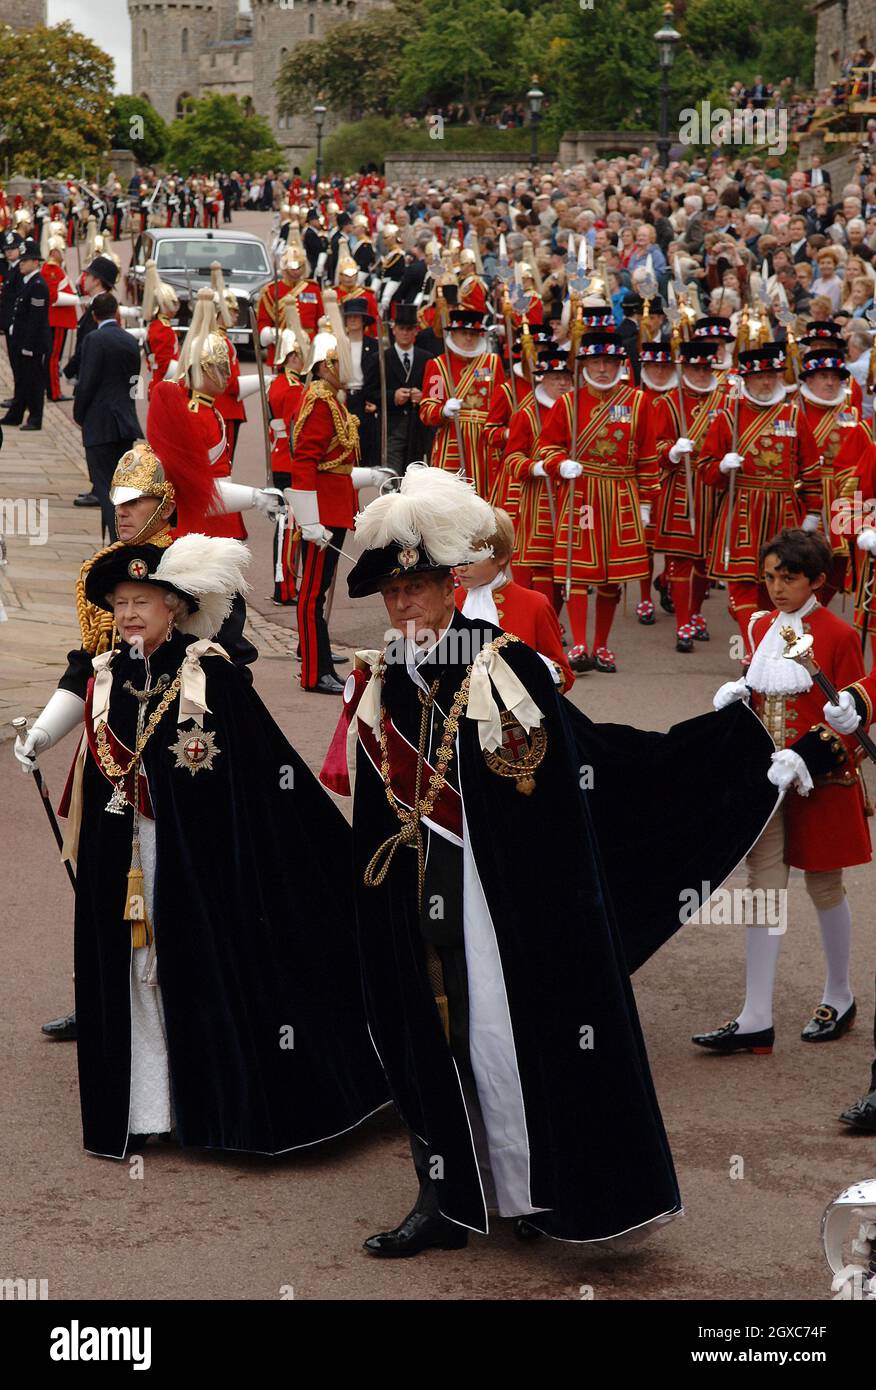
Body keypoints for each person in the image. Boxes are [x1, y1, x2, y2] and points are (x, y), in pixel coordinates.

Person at [321, 465, 778, 1256]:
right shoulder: (383, 676)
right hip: (414, 894)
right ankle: (446, 1197)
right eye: (391, 595)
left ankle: (533, 1190)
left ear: (449, 583)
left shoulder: (504, 665)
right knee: (428, 1040)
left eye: (416, 588)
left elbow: (549, 794)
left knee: (499, 1034)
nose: (402, 605)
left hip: (491, 900)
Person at [16, 533, 388, 1158]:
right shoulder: (106, 672)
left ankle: (211, 1112)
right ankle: (146, 1109)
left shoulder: (209, 671)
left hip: (196, 858)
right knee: (134, 974)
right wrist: (40, 739)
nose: (130, 613)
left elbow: (260, 769)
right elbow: (75, 696)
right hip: (122, 855)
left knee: (192, 969)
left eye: (144, 600)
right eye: (121, 602)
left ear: (174, 607)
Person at [694, 529, 869, 1056]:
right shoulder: (760, 625)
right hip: (766, 781)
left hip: (820, 782)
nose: (776, 588)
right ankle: (755, 1015)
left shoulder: (838, 634)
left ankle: (839, 994)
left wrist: (807, 755)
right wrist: (738, 697)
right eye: (769, 577)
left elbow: (854, 724)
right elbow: (761, 687)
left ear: (818, 581)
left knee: (824, 888)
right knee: (763, 888)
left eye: (787, 578)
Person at [538, 330, 658, 673]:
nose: (603, 368)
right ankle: (578, 644)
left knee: (611, 576)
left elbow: (648, 455)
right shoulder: (567, 403)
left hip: (621, 494)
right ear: (585, 364)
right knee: (577, 569)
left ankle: (602, 645)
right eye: (595, 362)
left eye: (609, 362)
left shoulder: (638, 402)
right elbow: (546, 447)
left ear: (620, 365)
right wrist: (560, 463)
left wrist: (646, 502)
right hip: (581, 493)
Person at [698, 343, 822, 654]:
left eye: (772, 375)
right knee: (742, 582)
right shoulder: (728, 417)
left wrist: (813, 512)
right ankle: (752, 649)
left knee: (780, 581)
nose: (767, 382)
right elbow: (705, 470)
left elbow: (810, 467)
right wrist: (722, 466)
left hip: (782, 507)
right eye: (760, 377)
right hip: (742, 506)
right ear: (747, 380)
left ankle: (774, 644)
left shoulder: (793, 415)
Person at [653, 341, 725, 652]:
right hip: (681, 487)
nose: (701, 373)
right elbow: (653, 448)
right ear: (685, 368)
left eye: (706, 368)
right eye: (695, 368)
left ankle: (695, 613)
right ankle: (683, 621)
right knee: (680, 560)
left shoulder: (726, 402)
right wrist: (671, 450)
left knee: (706, 563)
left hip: (715, 488)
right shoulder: (669, 403)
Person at [453, 506, 573, 691]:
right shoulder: (450, 602)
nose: (460, 567)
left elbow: (563, 674)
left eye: (471, 558)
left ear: (501, 556)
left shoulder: (535, 604)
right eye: (458, 556)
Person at [73, 292, 141, 541]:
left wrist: (79, 413)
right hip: (124, 423)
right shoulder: (130, 340)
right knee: (121, 487)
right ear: (117, 313)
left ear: (93, 315)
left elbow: (87, 382)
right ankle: (117, 540)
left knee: (104, 488)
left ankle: (117, 543)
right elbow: (135, 383)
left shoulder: (94, 339)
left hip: (99, 422)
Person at [419, 305, 505, 497]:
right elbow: (426, 410)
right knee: (449, 497)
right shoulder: (439, 365)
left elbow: (502, 404)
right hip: (453, 438)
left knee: (487, 496)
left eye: (473, 334)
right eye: (463, 333)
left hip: (484, 441)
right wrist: (443, 411)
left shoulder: (492, 363)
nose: (468, 338)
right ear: (453, 334)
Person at [363, 302, 431, 475]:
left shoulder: (428, 358)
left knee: (416, 474)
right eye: (401, 328)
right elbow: (369, 392)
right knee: (393, 475)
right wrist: (393, 396)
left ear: (416, 331)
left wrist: (423, 396)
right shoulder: (380, 358)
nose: (405, 333)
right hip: (393, 426)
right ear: (394, 330)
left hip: (419, 427)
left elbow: (436, 392)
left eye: (409, 329)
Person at [0, 237, 50, 432]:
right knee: (22, 379)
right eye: (21, 260)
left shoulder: (38, 285)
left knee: (34, 382)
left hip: (33, 344)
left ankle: (35, 418)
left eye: (25, 261)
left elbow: (36, 319)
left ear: (35, 262)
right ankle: (16, 413)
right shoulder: (27, 281)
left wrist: (28, 346)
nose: (21, 264)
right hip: (20, 340)